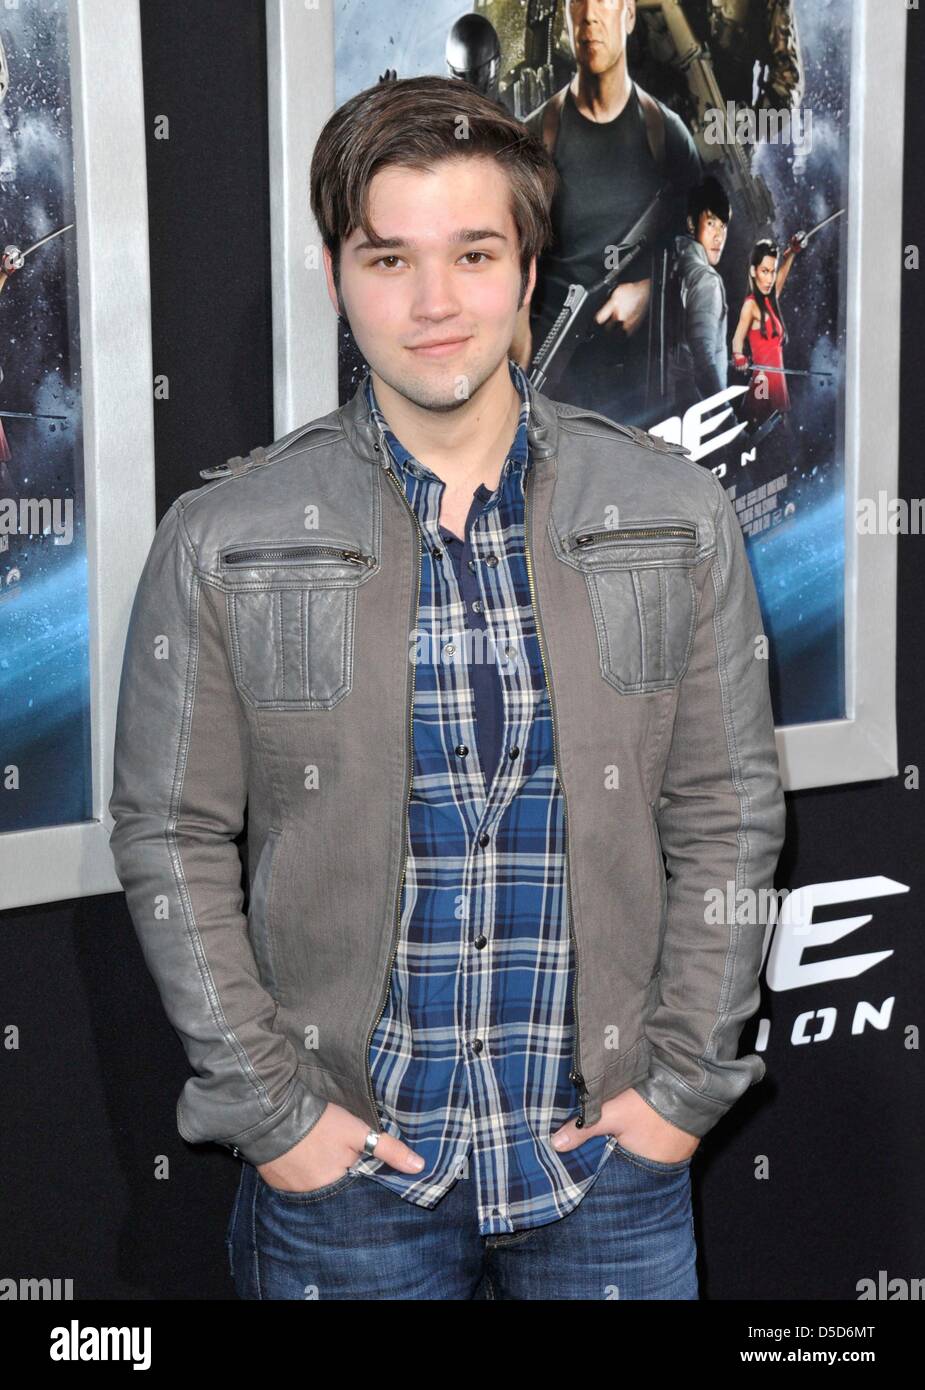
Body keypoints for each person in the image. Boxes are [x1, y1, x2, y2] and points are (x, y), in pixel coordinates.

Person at [108, 74, 786, 1301]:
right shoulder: (226, 535)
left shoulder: (673, 516)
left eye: (472, 253)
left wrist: (681, 1091)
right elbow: (169, 832)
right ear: (334, 275)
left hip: (608, 1181)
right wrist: (275, 1114)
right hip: (347, 1189)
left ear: (528, 270)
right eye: (388, 258)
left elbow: (730, 813)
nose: (433, 304)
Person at [519, 0, 702, 424]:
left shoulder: (667, 136)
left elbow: (709, 260)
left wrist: (649, 291)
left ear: (630, 15)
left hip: (645, 401)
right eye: (575, 2)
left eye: (603, 0)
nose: (589, 16)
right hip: (553, 402)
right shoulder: (532, 139)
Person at [666, 174, 732, 412]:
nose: (719, 236)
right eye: (712, 222)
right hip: (693, 414)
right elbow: (703, 361)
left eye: (724, 226)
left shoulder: (677, 262)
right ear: (692, 223)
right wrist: (728, 422)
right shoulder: (706, 280)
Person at [731, 234, 804, 425]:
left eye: (772, 271)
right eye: (765, 271)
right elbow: (737, 338)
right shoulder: (751, 305)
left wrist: (791, 252)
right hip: (762, 388)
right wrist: (738, 355)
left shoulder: (769, 301)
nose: (770, 278)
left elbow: (781, 276)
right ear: (754, 271)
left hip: (779, 388)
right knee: (760, 440)